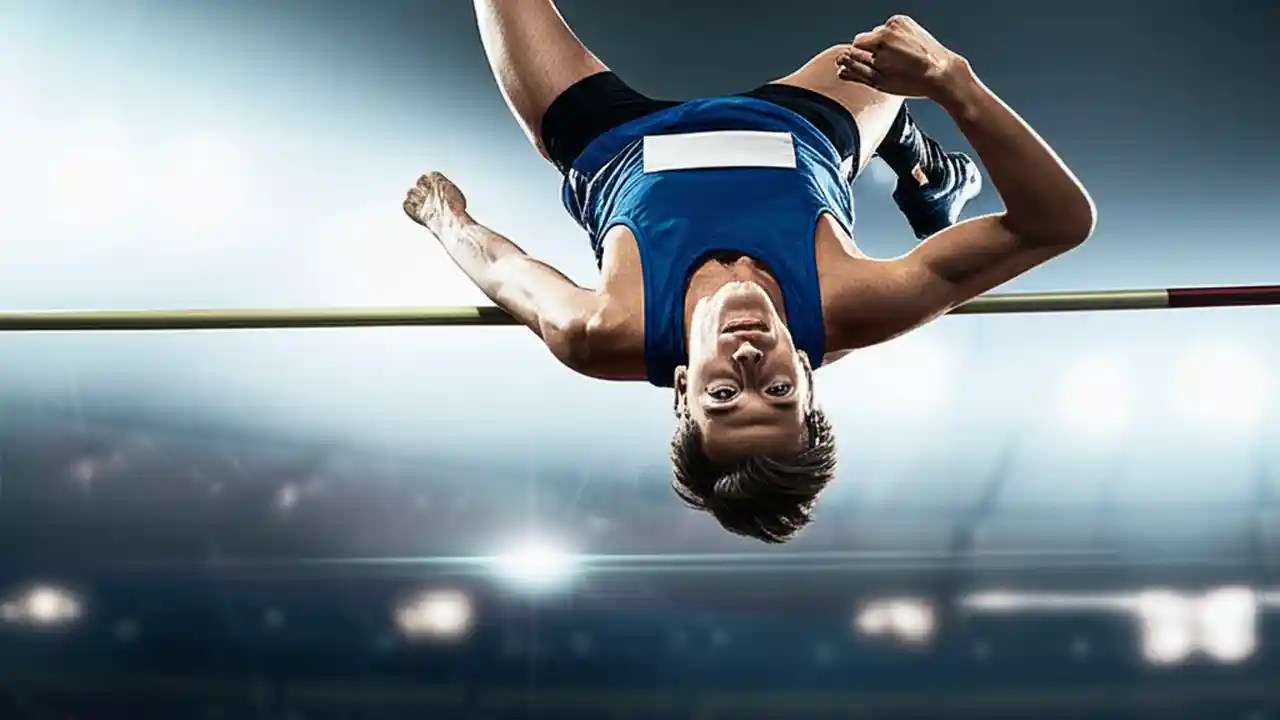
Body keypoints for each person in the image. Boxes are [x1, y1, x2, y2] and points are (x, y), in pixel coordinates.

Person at [403, 2, 1095, 543]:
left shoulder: (604, 331)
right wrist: (951, 82)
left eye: (725, 394)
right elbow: (1058, 224)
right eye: (778, 389)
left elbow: (507, 271)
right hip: (797, 127)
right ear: (808, 376)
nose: (748, 360)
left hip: (606, 140)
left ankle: (920, 166)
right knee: (876, 61)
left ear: (683, 390)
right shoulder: (856, 305)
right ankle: (923, 173)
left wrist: (443, 218)